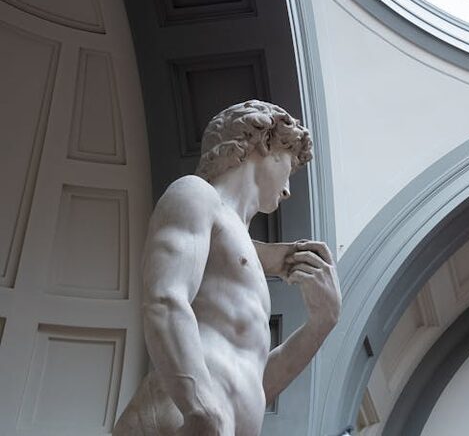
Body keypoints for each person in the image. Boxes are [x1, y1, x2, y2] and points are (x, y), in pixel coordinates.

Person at [113, 100, 341, 435]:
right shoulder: (196, 195)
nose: (289, 189)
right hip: (179, 418)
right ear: (265, 144)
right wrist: (201, 407)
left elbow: (253, 380)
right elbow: (165, 299)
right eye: (288, 166)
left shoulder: (239, 249)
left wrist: (322, 323)